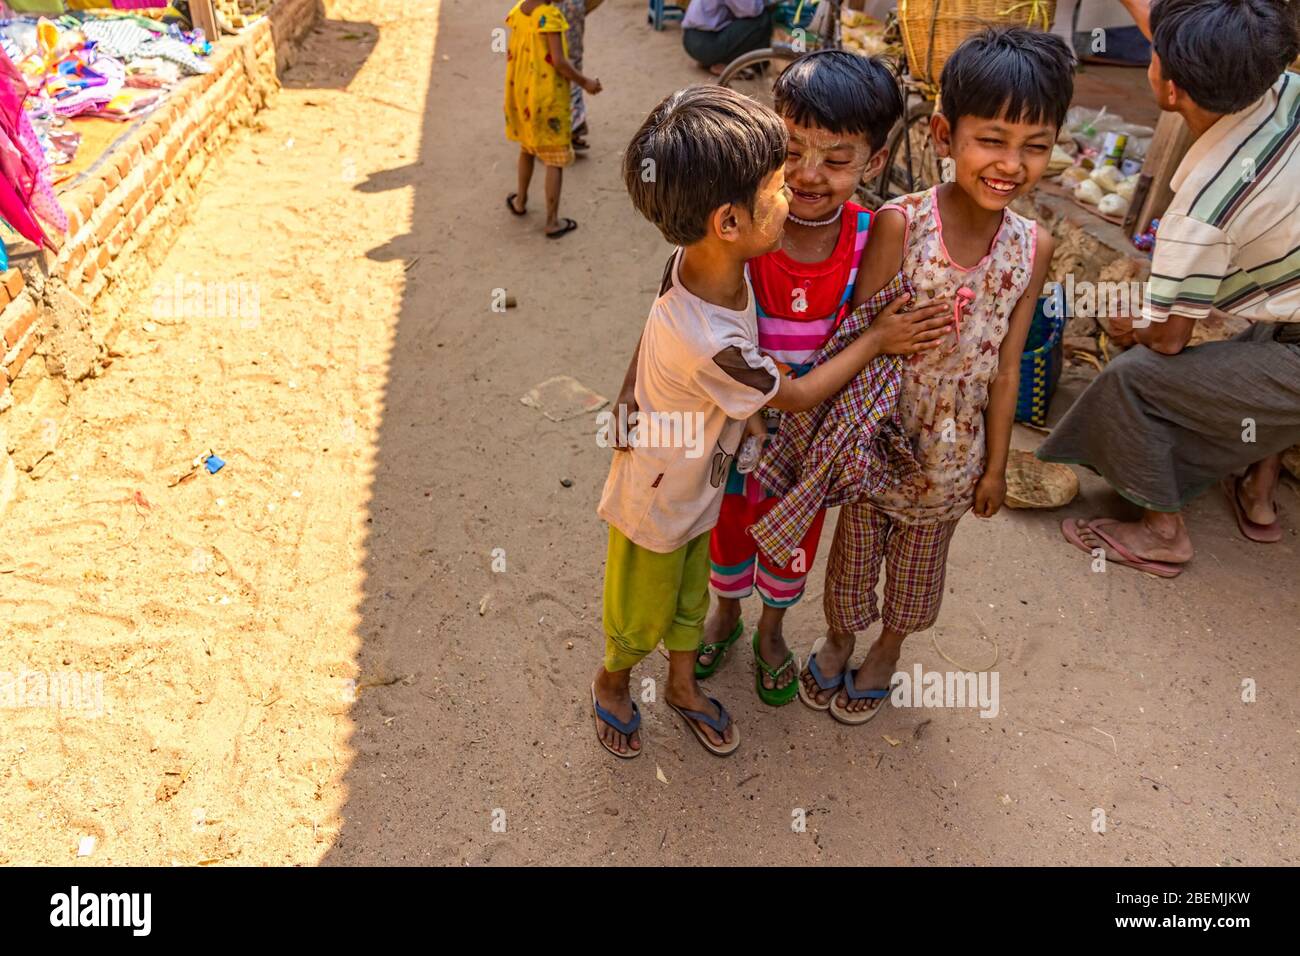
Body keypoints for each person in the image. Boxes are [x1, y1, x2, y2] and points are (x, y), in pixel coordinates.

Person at [592, 85, 950, 757]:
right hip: (659, 498)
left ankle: (680, 685)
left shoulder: (701, 266)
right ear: (730, 222)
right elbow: (798, 395)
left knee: (693, 594)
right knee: (641, 610)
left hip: (699, 482)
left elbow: (649, 326)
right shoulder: (717, 344)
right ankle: (613, 683)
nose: (794, 193)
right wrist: (877, 339)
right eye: (779, 184)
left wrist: (626, 395)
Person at [800, 27, 1068, 724]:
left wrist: (996, 467)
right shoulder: (900, 224)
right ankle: (838, 638)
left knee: (920, 573)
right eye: (993, 139)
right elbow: (860, 340)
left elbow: (1007, 366)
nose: (1012, 163)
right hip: (880, 434)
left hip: (955, 454)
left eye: (1035, 145)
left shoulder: (1032, 246)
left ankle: (887, 650)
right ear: (945, 135)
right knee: (853, 561)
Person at [1039, 0, 1300, 574]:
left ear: (1171, 89)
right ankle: (1256, 485)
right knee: (1264, 325)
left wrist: (1129, 323)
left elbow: (1168, 341)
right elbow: (1164, 21)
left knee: (1133, 380)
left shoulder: (1203, 210)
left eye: (1156, 50)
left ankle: (1162, 532)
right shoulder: (1276, 81)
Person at [691, 51, 912, 706]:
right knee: (725, 525)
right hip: (737, 425)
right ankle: (726, 616)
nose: (810, 175)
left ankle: (771, 630)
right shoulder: (746, 229)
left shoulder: (874, 239)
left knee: (793, 542)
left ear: (873, 163)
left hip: (812, 438)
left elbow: (872, 335)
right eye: (792, 150)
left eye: (837, 160)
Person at [503, 0, 602, 238]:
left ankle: (520, 201)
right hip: (548, 99)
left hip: (524, 96)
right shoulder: (551, 18)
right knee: (554, 159)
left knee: (527, 149)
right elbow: (560, 62)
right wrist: (586, 82)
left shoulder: (519, 11)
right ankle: (552, 222)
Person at [556, 0, 604, 149]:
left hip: (550, 8)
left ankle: (566, 125)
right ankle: (571, 125)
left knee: (554, 61)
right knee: (570, 61)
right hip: (569, 8)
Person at [681, 0, 774, 76]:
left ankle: (709, 60)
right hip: (706, 43)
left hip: (690, 39)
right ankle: (728, 64)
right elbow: (752, 10)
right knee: (762, 19)